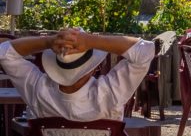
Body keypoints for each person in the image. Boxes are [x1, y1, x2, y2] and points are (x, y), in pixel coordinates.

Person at [0, 27, 155, 120]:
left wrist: (48, 41)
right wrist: (91, 41)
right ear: (94, 68)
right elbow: (146, 51)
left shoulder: (37, 90)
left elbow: (4, 52)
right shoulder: (109, 93)